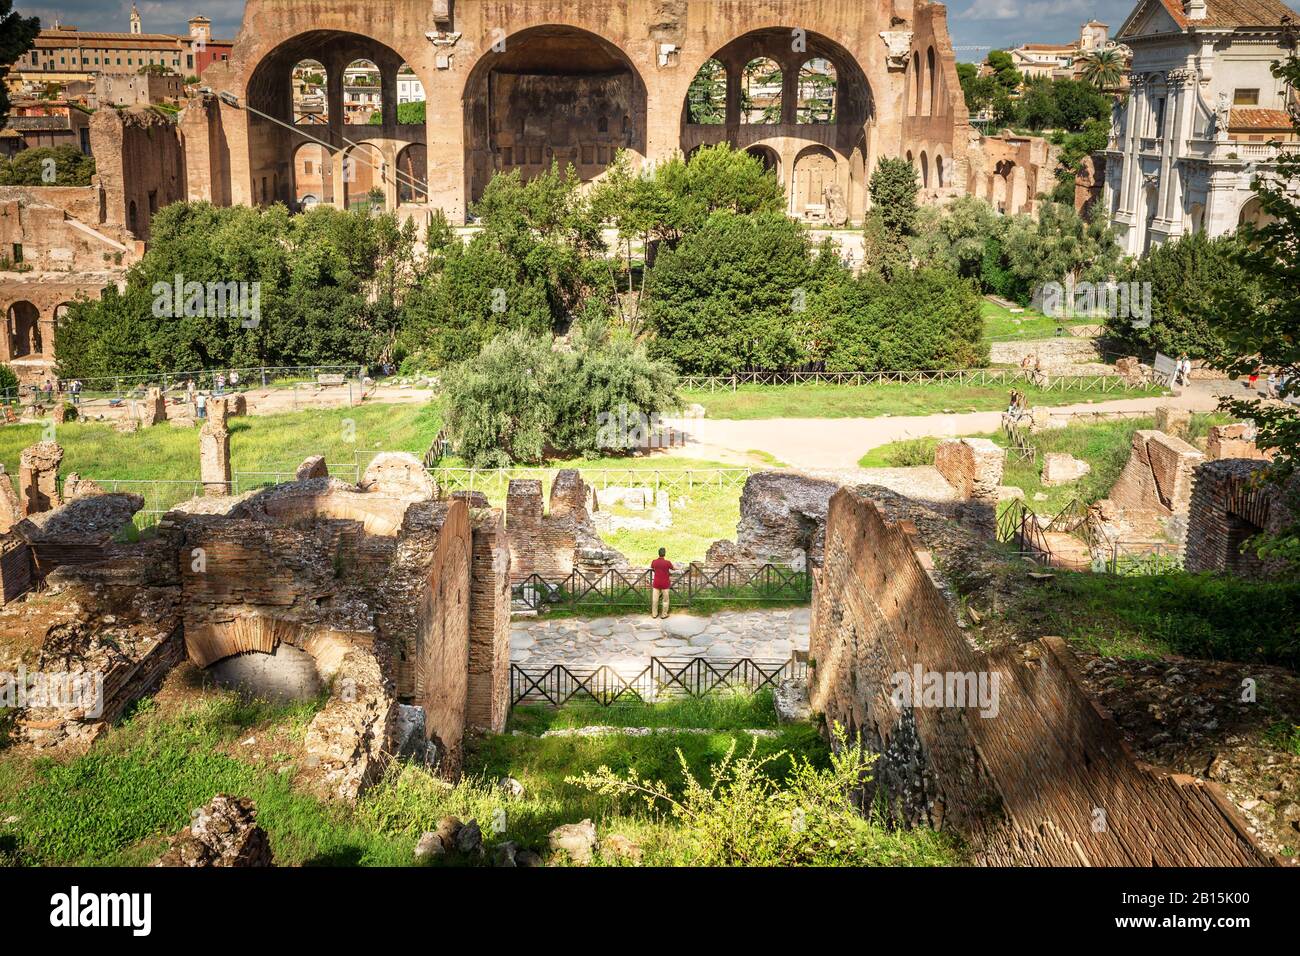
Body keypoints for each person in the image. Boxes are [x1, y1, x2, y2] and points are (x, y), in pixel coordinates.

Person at [650, 547, 674, 619]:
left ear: (658, 553)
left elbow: (652, 567)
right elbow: (673, 568)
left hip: (656, 583)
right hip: (665, 583)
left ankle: (654, 614)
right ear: (664, 554)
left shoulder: (654, 562)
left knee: (655, 599)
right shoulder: (667, 562)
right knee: (665, 600)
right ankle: (664, 614)